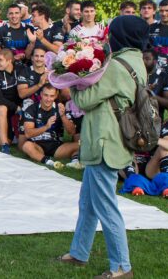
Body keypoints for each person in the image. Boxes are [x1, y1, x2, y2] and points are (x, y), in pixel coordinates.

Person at [56, 15, 145, 278]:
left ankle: (121, 267)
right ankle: (79, 252)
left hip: (106, 140)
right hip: (110, 138)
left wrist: (71, 77)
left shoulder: (117, 65)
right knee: (88, 202)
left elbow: (85, 100)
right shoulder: (136, 59)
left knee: (105, 204)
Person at [19, 84, 80, 169]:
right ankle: (49, 162)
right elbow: (28, 134)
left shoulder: (60, 107)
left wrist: (63, 116)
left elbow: (72, 132)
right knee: (26, 146)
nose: (48, 99)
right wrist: (46, 127)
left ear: (56, 96)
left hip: (57, 146)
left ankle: (75, 161)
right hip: (38, 145)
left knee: (80, 145)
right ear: (41, 94)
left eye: (51, 96)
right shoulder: (31, 109)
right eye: (46, 95)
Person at [143, 49, 168, 117]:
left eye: (147, 59)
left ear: (155, 61)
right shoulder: (135, 75)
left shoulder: (164, 76)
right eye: (142, 59)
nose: (143, 61)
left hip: (155, 119)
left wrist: (150, 94)